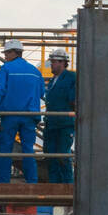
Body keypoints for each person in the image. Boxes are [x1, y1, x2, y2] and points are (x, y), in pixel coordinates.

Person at [0, 38, 44, 183]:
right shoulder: (35, 71)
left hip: (10, 115)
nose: (5, 56)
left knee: (5, 149)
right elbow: (41, 93)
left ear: (15, 52)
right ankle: (32, 181)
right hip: (30, 115)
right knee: (28, 150)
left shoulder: (7, 68)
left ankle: (3, 181)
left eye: (7, 53)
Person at [43, 46, 77, 184]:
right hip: (51, 125)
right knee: (50, 156)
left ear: (63, 62)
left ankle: (68, 186)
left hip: (64, 125)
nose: (51, 64)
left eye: (54, 61)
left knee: (63, 155)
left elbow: (73, 100)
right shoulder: (52, 81)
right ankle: (54, 186)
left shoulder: (71, 78)